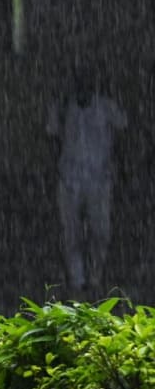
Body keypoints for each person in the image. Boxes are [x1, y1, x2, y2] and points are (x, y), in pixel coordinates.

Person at [46, 78, 128, 295]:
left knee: (101, 231)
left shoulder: (106, 106)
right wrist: (54, 169)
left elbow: (123, 131)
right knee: (71, 231)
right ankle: (77, 278)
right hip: (69, 178)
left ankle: (95, 275)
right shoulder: (62, 107)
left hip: (99, 178)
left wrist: (120, 165)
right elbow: (51, 137)